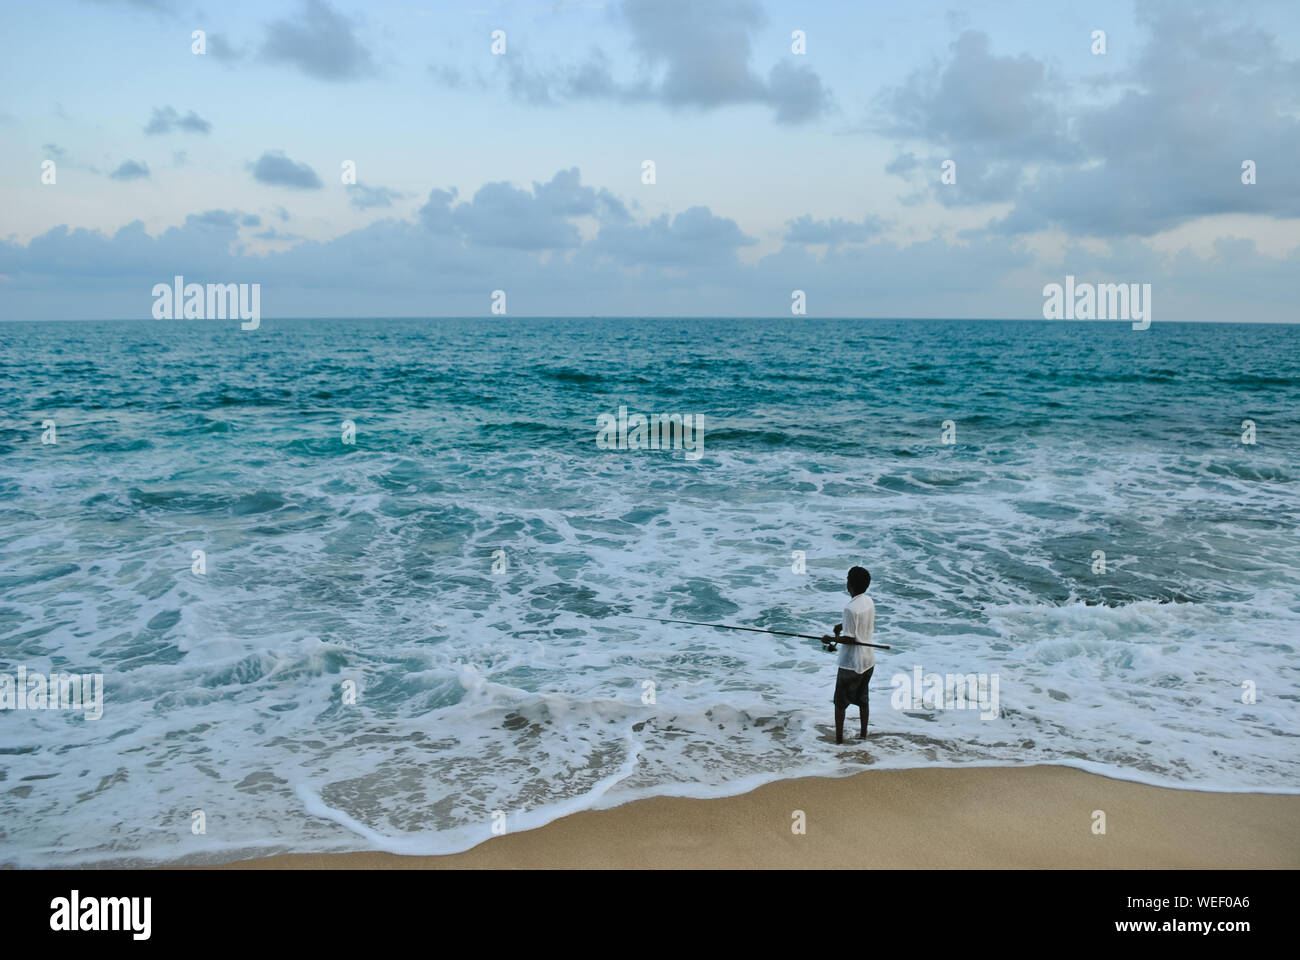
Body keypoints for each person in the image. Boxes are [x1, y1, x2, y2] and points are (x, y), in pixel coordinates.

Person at [822, 566, 876, 744]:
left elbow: (851, 639)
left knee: (840, 703)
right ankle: (863, 734)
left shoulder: (850, 608)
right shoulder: (868, 601)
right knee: (863, 699)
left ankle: (838, 740)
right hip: (868, 660)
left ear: (850, 585)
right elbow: (857, 625)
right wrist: (841, 625)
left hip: (851, 664)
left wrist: (831, 638)